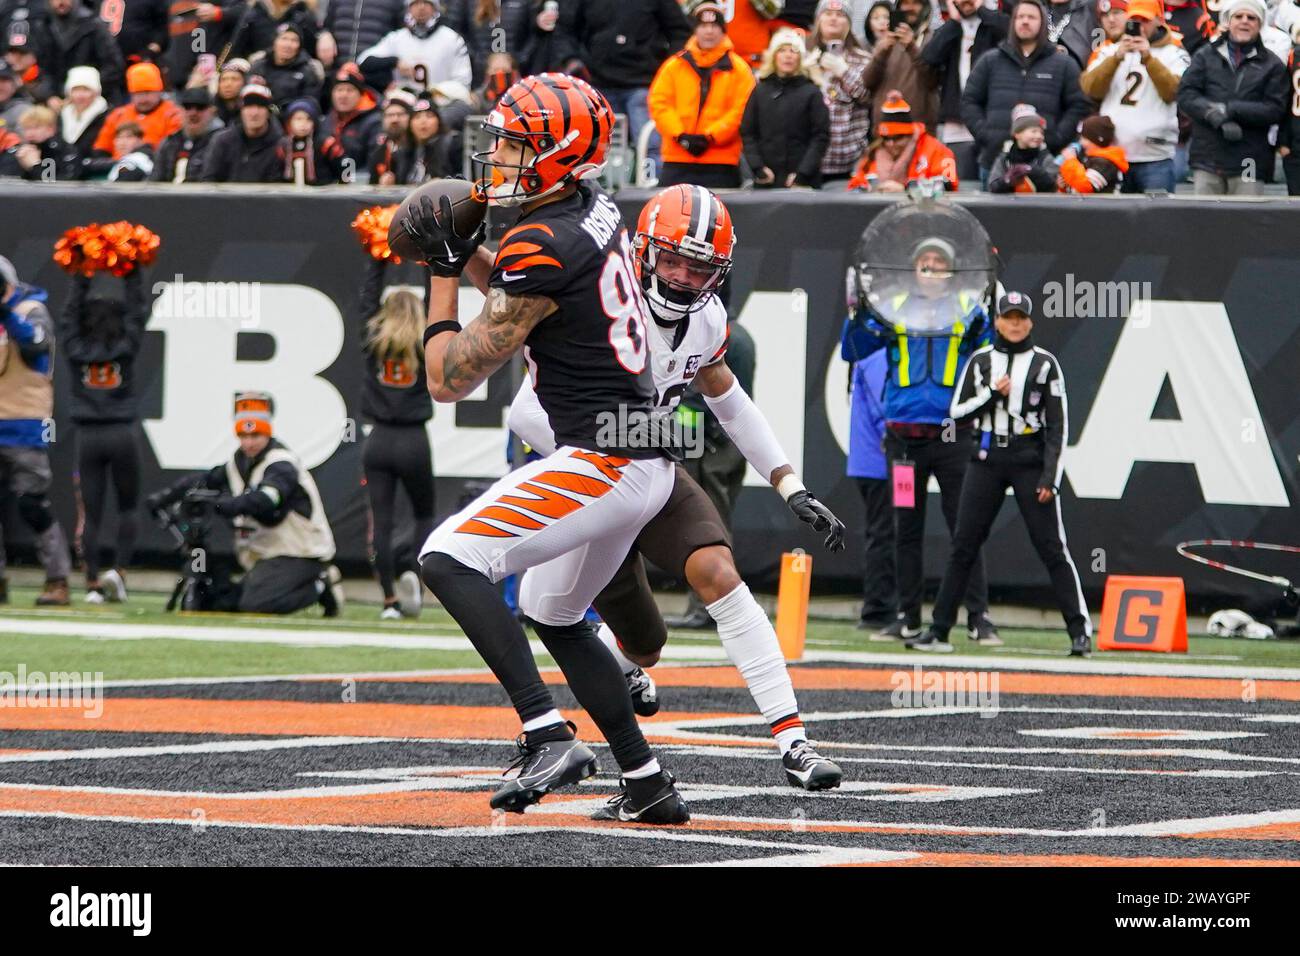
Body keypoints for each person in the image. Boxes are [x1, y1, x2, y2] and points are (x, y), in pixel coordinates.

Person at [410, 74, 689, 823]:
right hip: (639, 448)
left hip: (605, 454)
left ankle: (545, 733)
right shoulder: (589, 208)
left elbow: (448, 379)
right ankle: (647, 780)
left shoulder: (542, 238)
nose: (496, 155)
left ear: (557, 153)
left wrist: (440, 269)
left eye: (512, 143)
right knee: (555, 610)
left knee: (448, 557)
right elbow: (527, 290)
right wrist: (470, 253)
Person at [507, 184, 847, 790]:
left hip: (652, 472)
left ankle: (794, 742)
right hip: (585, 478)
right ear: (642, 252)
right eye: (672, 260)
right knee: (640, 640)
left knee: (717, 570)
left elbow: (730, 402)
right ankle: (609, 680)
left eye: (699, 267)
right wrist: (619, 434)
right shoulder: (598, 305)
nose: (684, 278)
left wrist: (788, 483)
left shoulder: (707, 319)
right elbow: (524, 412)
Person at [910, 291, 1091, 656]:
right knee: (963, 545)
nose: (1014, 324)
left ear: (1030, 322)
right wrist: (993, 395)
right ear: (996, 321)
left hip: (1030, 459)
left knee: (1052, 548)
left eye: (1020, 318)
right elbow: (957, 412)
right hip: (986, 457)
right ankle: (940, 630)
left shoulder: (1045, 364)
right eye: (1007, 317)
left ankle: (1079, 632)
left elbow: (1058, 427)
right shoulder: (980, 361)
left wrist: (1050, 478)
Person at [840, 235, 998, 643]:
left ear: (952, 270)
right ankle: (908, 617)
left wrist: (993, 303)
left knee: (965, 528)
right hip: (905, 442)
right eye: (924, 260)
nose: (931, 267)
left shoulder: (968, 310)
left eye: (939, 261)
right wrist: (857, 311)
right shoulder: (894, 311)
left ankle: (977, 617)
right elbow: (852, 350)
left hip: (954, 439)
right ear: (913, 269)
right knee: (905, 528)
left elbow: (993, 351)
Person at [145, 392, 343, 615]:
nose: (248, 443)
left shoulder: (281, 465)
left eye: (256, 435)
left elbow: (266, 501)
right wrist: (165, 496)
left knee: (256, 605)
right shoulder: (237, 463)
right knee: (223, 602)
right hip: (265, 556)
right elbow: (203, 479)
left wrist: (225, 505)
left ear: (267, 433)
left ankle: (322, 585)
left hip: (300, 553)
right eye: (243, 436)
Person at [58, 267, 148, 604]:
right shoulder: (126, 346)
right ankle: (119, 572)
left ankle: (93, 582)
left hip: (88, 436)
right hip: (122, 432)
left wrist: (80, 275)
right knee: (128, 507)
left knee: (92, 514)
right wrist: (132, 273)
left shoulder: (75, 348)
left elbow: (68, 317)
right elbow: (137, 313)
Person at [357, 256, 433, 620]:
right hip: (414, 440)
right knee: (424, 515)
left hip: (380, 440)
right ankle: (414, 576)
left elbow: (366, 302)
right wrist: (429, 260)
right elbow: (437, 300)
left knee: (382, 522)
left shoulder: (374, 339)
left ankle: (389, 600)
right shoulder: (425, 339)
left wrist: (378, 259)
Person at [0, 255, 72, 606]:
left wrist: (4, 313)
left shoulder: (31, 309)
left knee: (32, 503)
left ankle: (57, 579)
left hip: (25, 421)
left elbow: (35, 344)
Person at [961, 0, 1092, 183]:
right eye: (1020, 17)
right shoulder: (990, 61)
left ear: (1042, 23)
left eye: (1031, 17)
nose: (1025, 21)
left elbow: (1079, 105)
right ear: (1013, 22)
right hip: (996, 163)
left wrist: (1057, 137)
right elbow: (969, 101)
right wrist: (987, 135)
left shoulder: (1063, 64)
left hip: (1045, 165)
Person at [1177, 0, 1288, 195]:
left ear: (1260, 24)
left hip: (1250, 159)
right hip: (1207, 157)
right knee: (1204, 221)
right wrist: (1212, 113)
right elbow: (1186, 94)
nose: (1244, 21)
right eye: (1238, 16)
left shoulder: (1272, 64)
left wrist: (1231, 109)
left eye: (1251, 17)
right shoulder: (1205, 55)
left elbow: (1275, 109)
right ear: (1228, 21)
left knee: (1246, 222)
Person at [1080, 0, 1189, 193]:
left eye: (1144, 20)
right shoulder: (1110, 50)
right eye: (1134, 19)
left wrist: (1147, 57)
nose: (1140, 25)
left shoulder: (1174, 52)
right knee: (1113, 221)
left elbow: (1174, 92)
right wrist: (1116, 58)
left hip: (1155, 158)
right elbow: (1090, 88)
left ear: (1158, 20)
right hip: (1113, 156)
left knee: (1157, 221)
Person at [648, 2, 754, 188]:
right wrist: (680, 135)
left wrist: (711, 137)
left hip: (721, 161)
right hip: (677, 158)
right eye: (703, 26)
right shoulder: (674, 66)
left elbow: (743, 109)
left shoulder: (740, 70)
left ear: (723, 31)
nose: (709, 31)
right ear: (695, 30)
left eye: (714, 26)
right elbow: (659, 103)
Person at [554, 0, 691, 142]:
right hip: (597, 85)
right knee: (599, 148)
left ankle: (649, 164)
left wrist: (668, 68)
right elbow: (564, 29)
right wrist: (571, 59)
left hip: (644, 84)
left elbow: (680, 32)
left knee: (650, 145)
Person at [921, 0, 1009, 182]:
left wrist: (981, 9)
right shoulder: (950, 27)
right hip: (956, 120)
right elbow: (929, 57)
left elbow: (1010, 34)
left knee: (991, 183)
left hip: (989, 118)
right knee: (961, 183)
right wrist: (953, 22)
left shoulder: (995, 21)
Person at [741, 28, 831, 188]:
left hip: (803, 182)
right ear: (774, 56)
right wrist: (758, 168)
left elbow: (820, 136)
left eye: (793, 51)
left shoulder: (812, 92)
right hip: (767, 181)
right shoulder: (760, 91)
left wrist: (802, 174)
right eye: (782, 50)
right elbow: (748, 133)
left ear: (801, 57)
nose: (788, 55)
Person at [846, 344, 895, 631]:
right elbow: (885, 412)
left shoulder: (872, 358)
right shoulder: (879, 359)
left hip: (873, 461)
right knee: (885, 533)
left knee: (886, 532)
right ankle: (878, 609)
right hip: (879, 463)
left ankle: (883, 606)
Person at [807, 0, 874, 185]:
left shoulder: (863, 59)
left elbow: (868, 97)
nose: (834, 19)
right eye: (828, 13)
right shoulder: (802, 55)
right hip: (807, 161)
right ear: (818, 19)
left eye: (840, 15)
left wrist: (844, 71)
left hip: (848, 161)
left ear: (849, 23)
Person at [847, 90, 958, 190]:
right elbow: (855, 186)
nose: (891, 143)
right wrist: (869, 189)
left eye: (897, 138)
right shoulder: (872, 154)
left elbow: (949, 184)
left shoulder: (937, 150)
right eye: (886, 138)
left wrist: (905, 189)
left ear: (910, 135)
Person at [359, 0, 472, 92]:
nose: (421, 7)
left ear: (435, 7)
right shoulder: (397, 38)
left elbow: (463, 83)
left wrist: (436, 92)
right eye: (416, 3)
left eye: (426, 3)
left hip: (441, 105)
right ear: (409, 8)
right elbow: (363, 62)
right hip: (406, 107)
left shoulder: (452, 39)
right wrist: (394, 61)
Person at [861, 0, 937, 134]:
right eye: (905, 3)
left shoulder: (932, 39)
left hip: (919, 130)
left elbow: (932, 80)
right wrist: (882, 52)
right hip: (884, 130)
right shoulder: (886, 41)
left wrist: (912, 47)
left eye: (915, 3)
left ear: (925, 7)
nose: (910, 8)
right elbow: (867, 82)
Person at [29, 0, 124, 102]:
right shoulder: (44, 27)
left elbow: (114, 66)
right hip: (60, 100)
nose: (60, 2)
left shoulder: (94, 26)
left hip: (98, 98)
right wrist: (50, 96)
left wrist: (83, 91)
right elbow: (45, 70)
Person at [199, 80, 285, 182]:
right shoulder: (222, 141)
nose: (254, 113)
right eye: (249, 106)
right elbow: (209, 179)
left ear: (268, 112)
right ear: (241, 111)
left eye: (260, 106)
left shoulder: (280, 145)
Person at [91, 62, 182, 157]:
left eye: (147, 92)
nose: (143, 99)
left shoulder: (173, 115)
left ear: (159, 91)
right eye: (138, 94)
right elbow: (101, 148)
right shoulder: (118, 115)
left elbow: (171, 150)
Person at [442, 0, 541, 85]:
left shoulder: (524, 2)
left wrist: (518, 60)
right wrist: (477, 59)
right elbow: (457, 32)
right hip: (478, 75)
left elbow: (534, 33)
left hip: (517, 73)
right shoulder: (467, 3)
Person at [318, 62, 380, 178]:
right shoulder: (326, 122)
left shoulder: (374, 122)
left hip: (361, 187)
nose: (343, 95)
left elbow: (373, 162)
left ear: (361, 94)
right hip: (329, 188)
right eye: (339, 90)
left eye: (349, 90)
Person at [151, 86, 222, 182]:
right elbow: (155, 180)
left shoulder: (222, 142)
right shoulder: (170, 142)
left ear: (212, 111)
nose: (193, 113)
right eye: (187, 107)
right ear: (180, 110)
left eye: (200, 107)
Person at [247, 21, 324, 111]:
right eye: (284, 39)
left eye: (294, 40)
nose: (288, 45)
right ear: (274, 42)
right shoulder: (258, 67)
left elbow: (309, 105)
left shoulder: (308, 72)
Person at [986, 102, 1059, 192]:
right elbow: (992, 187)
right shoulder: (1005, 159)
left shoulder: (1045, 157)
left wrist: (1033, 171)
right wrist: (1007, 180)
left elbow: (1053, 186)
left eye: (1041, 132)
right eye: (1034, 131)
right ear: (1017, 134)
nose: (1039, 136)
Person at [317, 0, 406, 70]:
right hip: (340, 75)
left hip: (376, 75)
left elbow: (402, 35)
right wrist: (324, 35)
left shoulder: (395, 2)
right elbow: (326, 25)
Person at [0, 103, 75, 178]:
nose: (30, 133)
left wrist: (35, 165)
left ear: (51, 129)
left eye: (36, 127)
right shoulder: (18, 151)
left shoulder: (63, 151)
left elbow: (59, 184)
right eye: (27, 128)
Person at [1056, 113, 1128, 191]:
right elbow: (1077, 186)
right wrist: (1064, 186)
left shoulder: (1105, 163)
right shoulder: (1086, 157)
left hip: (1100, 203)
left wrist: (1071, 161)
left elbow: (1086, 188)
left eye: (1084, 138)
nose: (1081, 142)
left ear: (1097, 141)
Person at [280, 97, 342, 184]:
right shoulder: (283, 145)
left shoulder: (326, 143)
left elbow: (343, 167)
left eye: (308, 119)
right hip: (291, 194)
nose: (303, 124)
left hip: (324, 193)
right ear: (289, 122)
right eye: (298, 119)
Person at [58, 65, 107, 168]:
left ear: (95, 92)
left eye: (86, 90)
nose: (80, 95)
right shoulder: (62, 114)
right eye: (75, 90)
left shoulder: (106, 115)